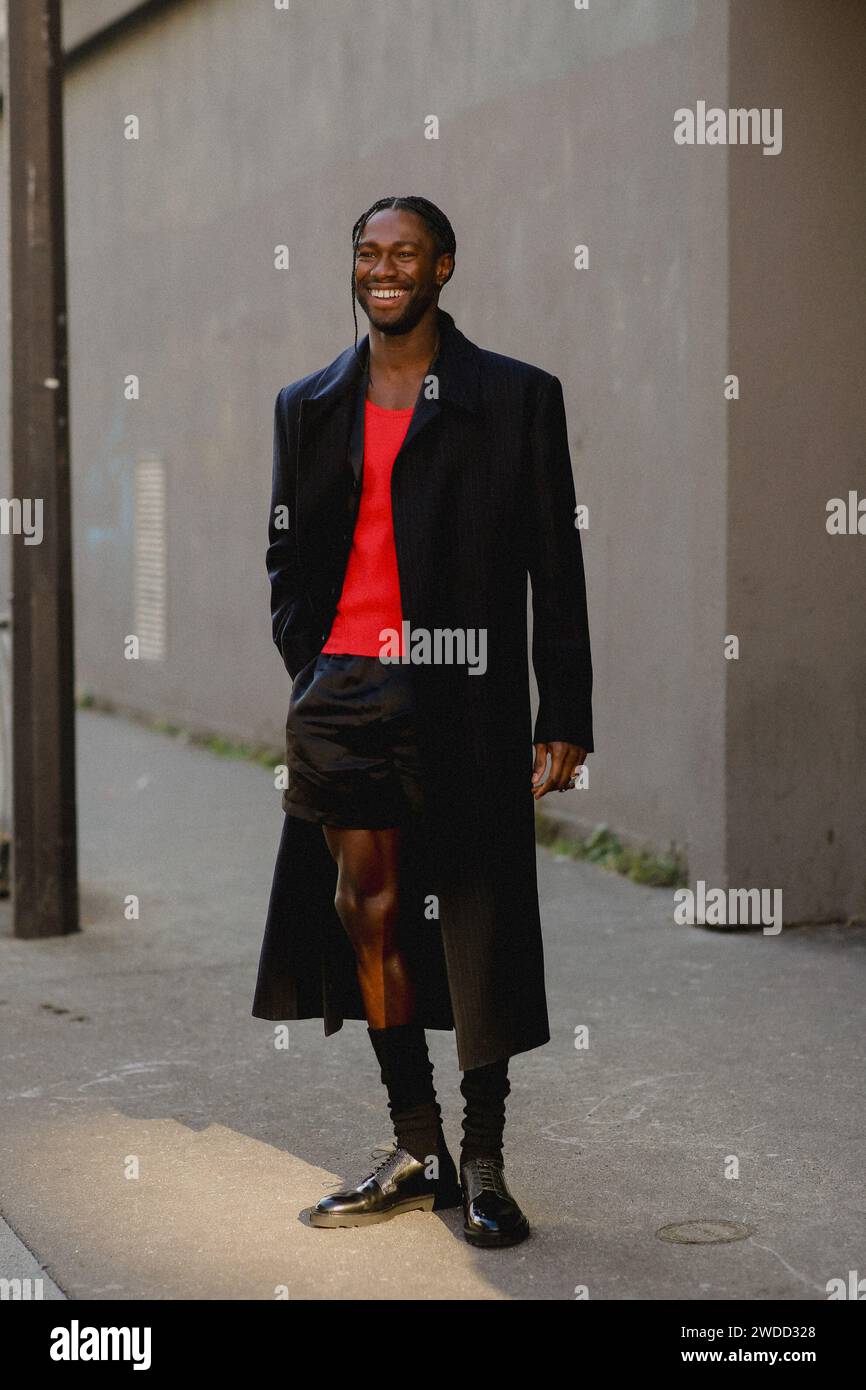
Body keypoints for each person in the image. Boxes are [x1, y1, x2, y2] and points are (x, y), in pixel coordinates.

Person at [257, 195, 593, 1247]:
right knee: (370, 915)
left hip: (463, 695)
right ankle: (417, 1144)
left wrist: (563, 708)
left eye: (403, 252)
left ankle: (484, 1159)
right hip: (343, 695)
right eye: (366, 252)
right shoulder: (307, 403)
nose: (382, 268)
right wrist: (312, 668)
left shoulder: (513, 398)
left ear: (443, 267)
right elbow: (286, 554)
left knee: (476, 918)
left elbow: (554, 564)